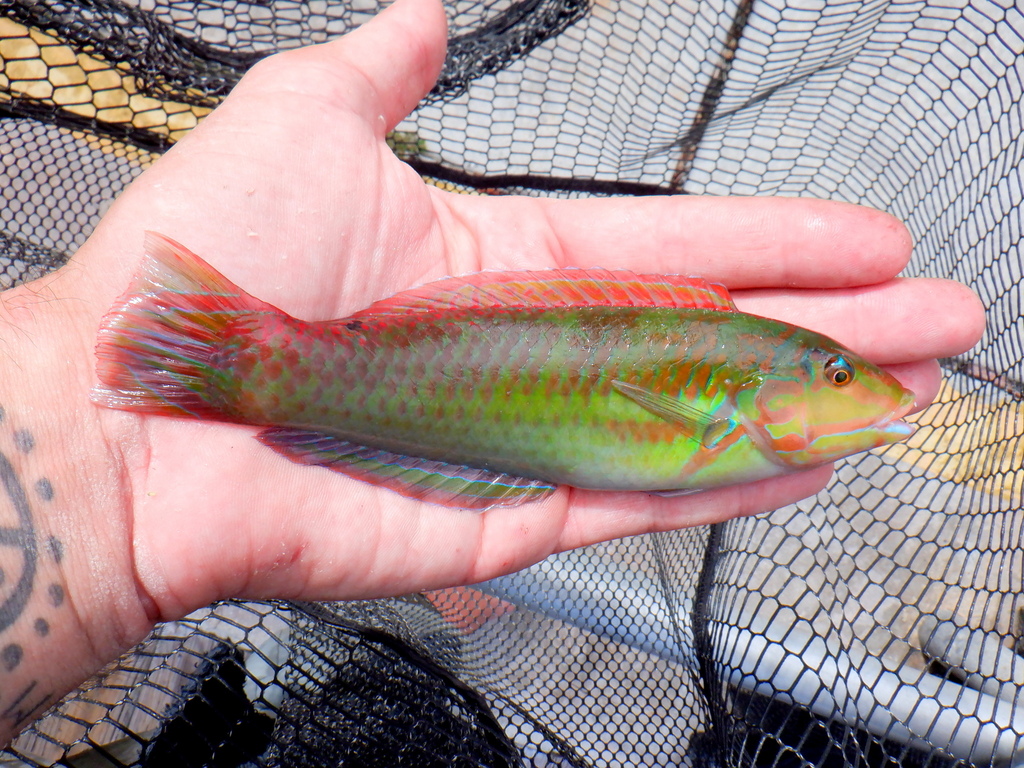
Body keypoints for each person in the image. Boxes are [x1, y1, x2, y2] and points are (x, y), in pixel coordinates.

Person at [0, 0, 983, 744]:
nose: (866, 393)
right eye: (837, 374)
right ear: (762, 384)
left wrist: (94, 491)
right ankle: (221, 362)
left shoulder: (738, 402)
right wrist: (95, 480)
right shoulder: (725, 402)